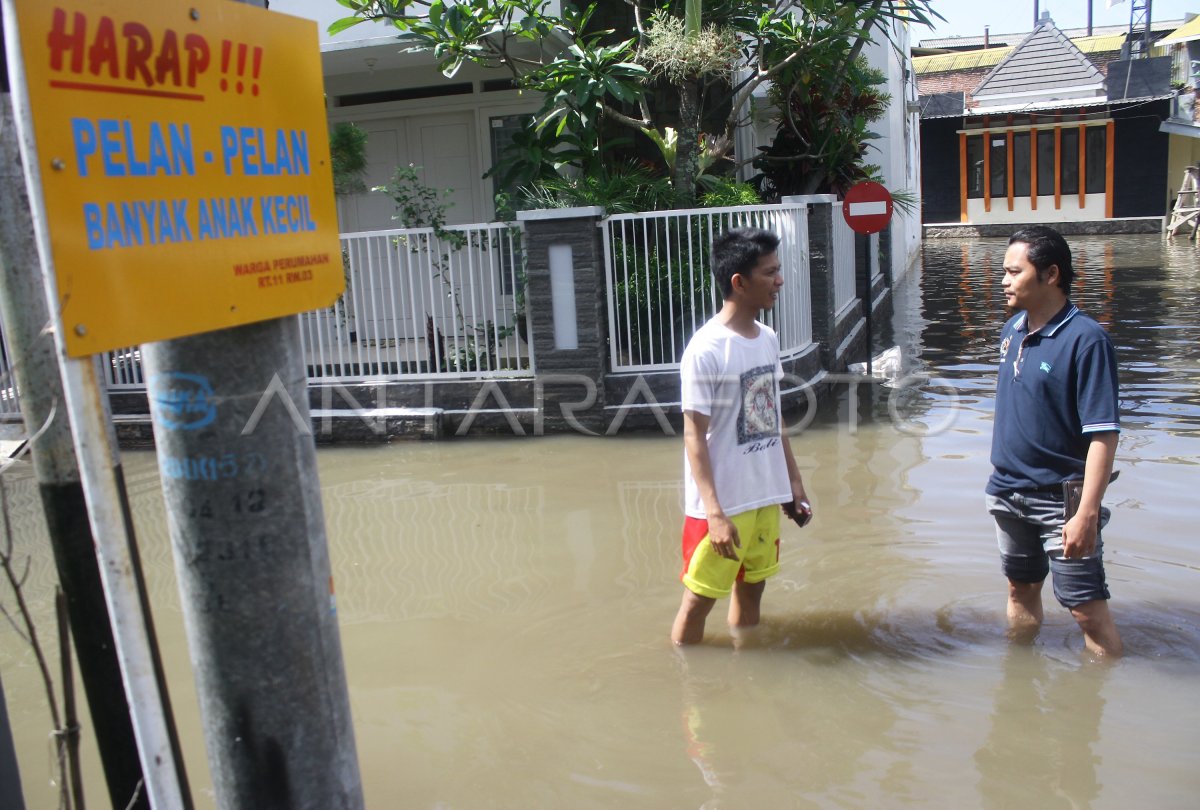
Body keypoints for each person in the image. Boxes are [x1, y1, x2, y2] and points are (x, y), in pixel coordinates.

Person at [986, 225, 1122, 657]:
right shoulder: (1011, 330)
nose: (1003, 280)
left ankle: (1092, 708)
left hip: (1061, 500)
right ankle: (1019, 685)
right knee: (1019, 590)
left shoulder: (1087, 340)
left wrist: (1086, 513)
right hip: (1007, 491)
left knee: (1086, 611)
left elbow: (1103, 434)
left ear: (1050, 274)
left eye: (1013, 271)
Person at [670, 228, 811, 646]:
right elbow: (693, 435)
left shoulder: (767, 339)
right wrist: (714, 512)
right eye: (771, 273)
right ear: (740, 282)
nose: (779, 282)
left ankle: (746, 666)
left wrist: (793, 484)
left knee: (754, 588)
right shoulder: (706, 349)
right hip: (723, 505)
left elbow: (773, 416)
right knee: (698, 601)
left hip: (764, 496)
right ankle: (688, 688)